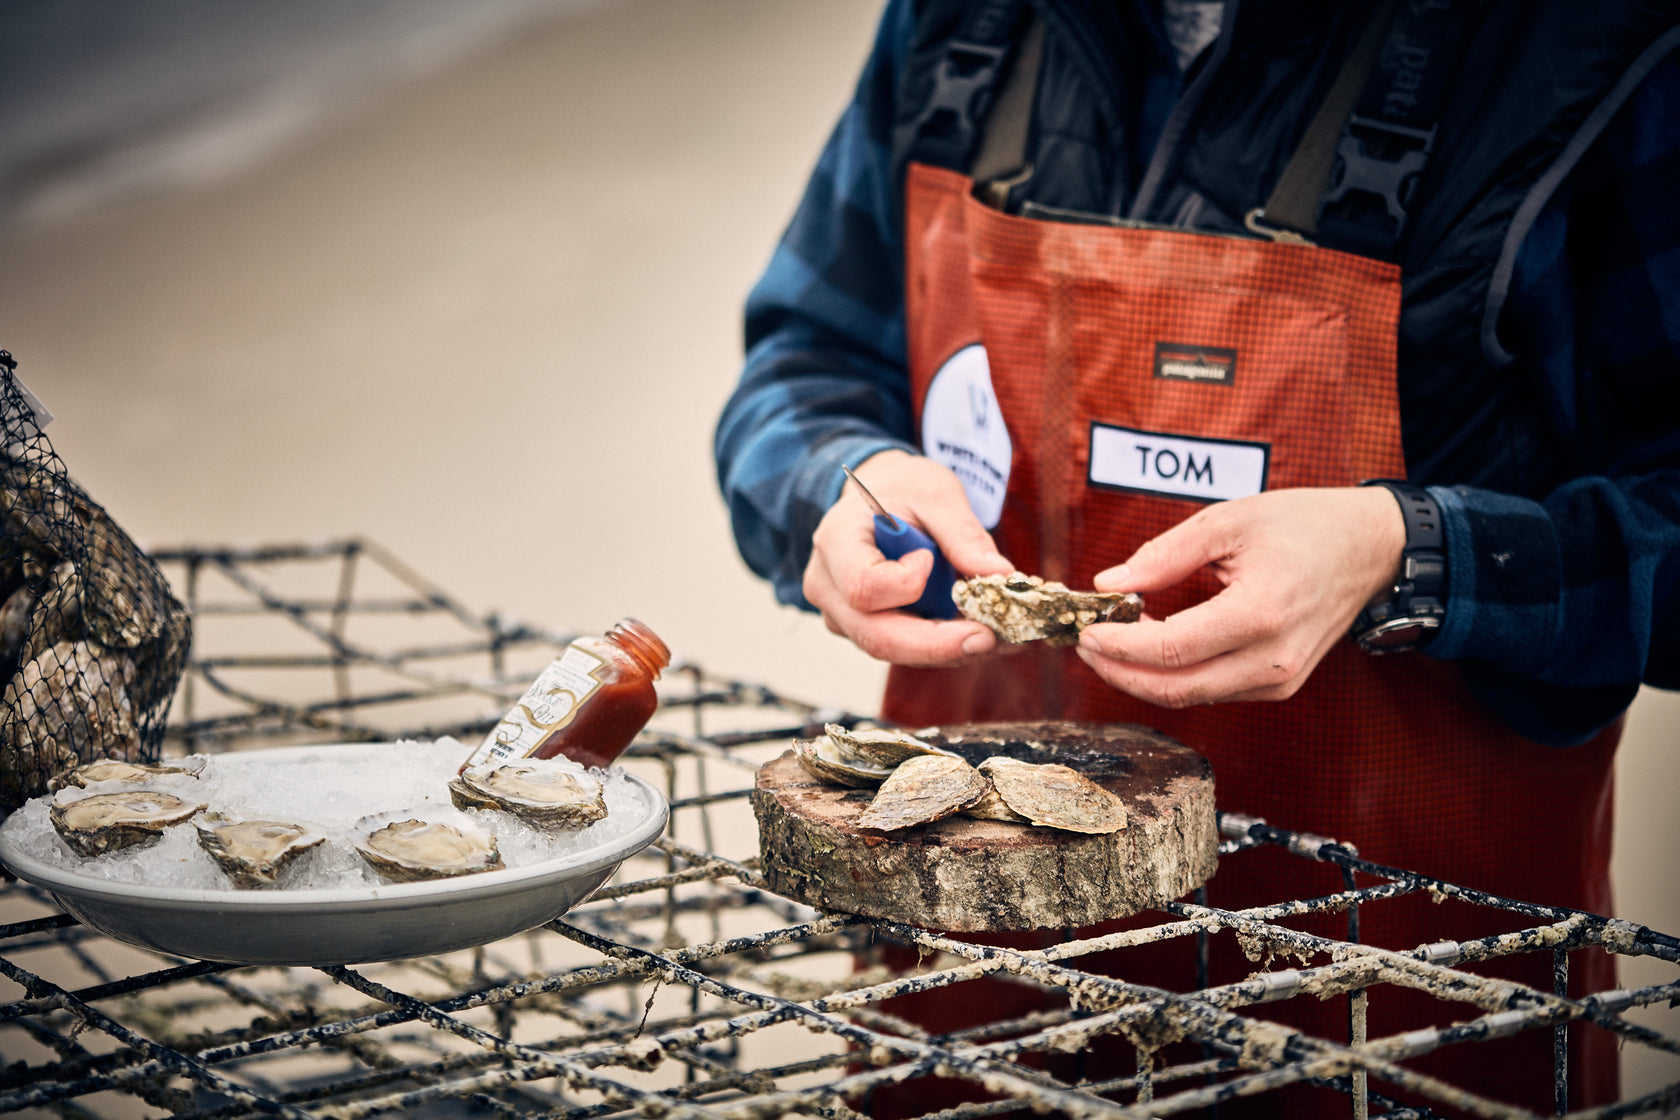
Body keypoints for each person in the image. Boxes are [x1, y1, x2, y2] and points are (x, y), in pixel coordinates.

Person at [716, 0, 1680, 1114]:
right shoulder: (958, 22)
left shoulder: (1594, 53)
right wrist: (829, 484)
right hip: (967, 991)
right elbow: (805, 354)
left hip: (1401, 1012)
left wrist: (1409, 551)